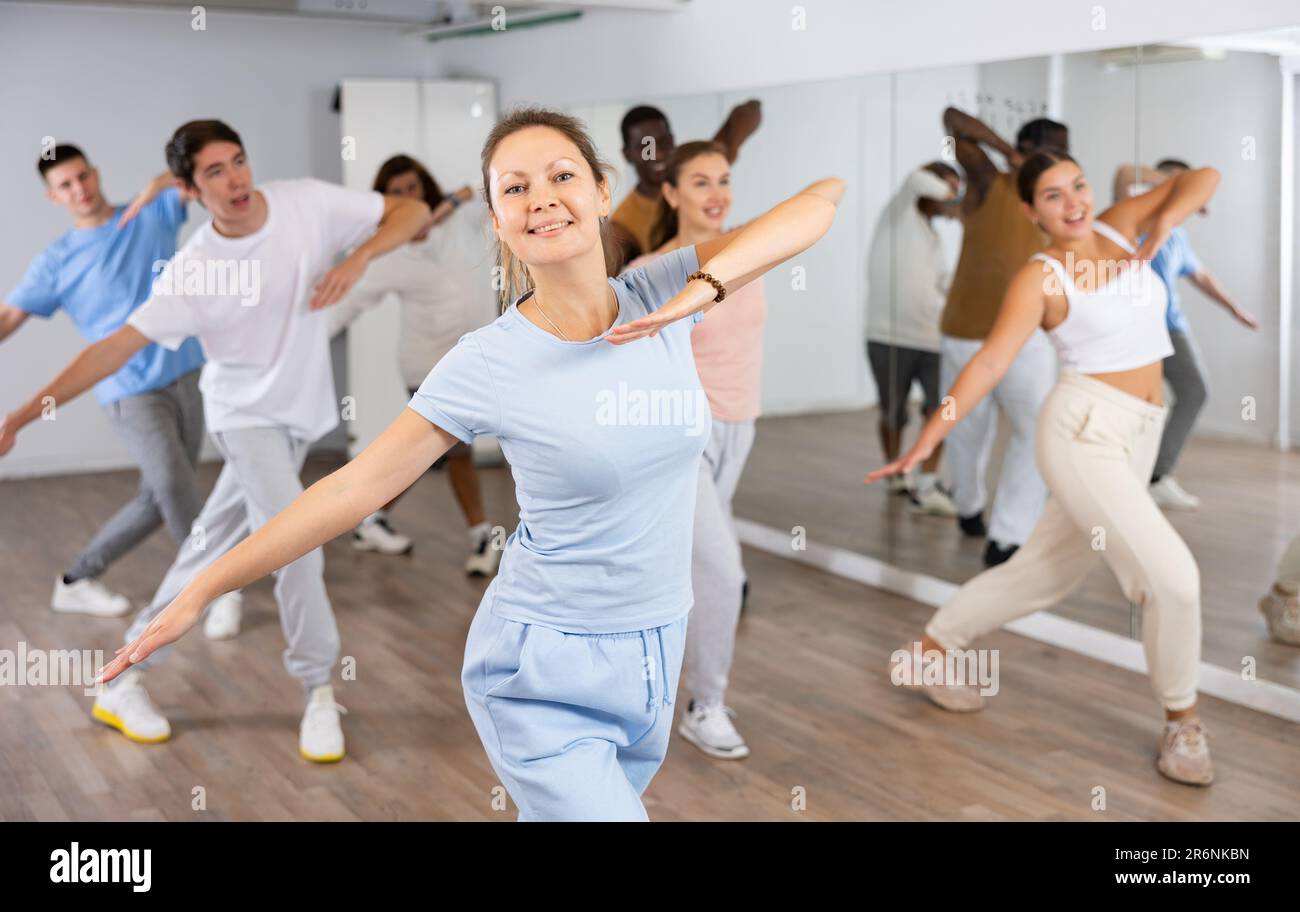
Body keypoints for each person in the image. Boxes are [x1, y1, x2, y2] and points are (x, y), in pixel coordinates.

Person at [95, 107, 843, 821]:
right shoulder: (490, 361)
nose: (541, 199)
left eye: (560, 176)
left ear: (602, 190)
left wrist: (704, 290)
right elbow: (356, 486)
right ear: (497, 221)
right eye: (514, 189)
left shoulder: (659, 290)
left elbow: (822, 200)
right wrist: (200, 590)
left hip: (655, 646)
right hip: (544, 667)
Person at [1, 120, 430, 760]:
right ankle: (318, 690)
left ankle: (124, 679)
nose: (235, 181)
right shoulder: (193, 270)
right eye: (214, 173)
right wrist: (19, 418)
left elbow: (413, 210)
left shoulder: (305, 203)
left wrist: (361, 254)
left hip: (296, 419)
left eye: (238, 162)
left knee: (203, 555)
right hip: (245, 419)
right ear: (188, 189)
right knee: (300, 545)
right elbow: (113, 349)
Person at [867, 149, 1222, 787]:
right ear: (1031, 210)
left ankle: (931, 651)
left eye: (1078, 185)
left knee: (1045, 573)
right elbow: (987, 365)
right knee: (1174, 579)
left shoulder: (1119, 224)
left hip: (1141, 431)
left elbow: (1204, 178)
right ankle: (1183, 720)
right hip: (1082, 433)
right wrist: (929, 438)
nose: (1074, 202)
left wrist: (1166, 220)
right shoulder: (1041, 277)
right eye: (1053, 196)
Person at [0, 145, 218, 620]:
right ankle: (210, 588)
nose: (79, 189)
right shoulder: (57, 260)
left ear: (96, 172)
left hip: (186, 370)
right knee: (171, 482)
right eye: (65, 185)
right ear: (51, 196)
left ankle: (76, 580)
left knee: (160, 495)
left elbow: (193, 177)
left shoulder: (151, 213)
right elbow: (10, 316)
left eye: (82, 176)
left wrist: (158, 184)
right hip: (128, 389)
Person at [624, 140, 775, 760]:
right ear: (670, 193)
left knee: (682, 567)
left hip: (742, 427)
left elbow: (827, 195)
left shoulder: (747, 252)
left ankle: (639, 682)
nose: (717, 194)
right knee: (722, 571)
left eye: (724, 180)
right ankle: (704, 704)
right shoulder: (653, 274)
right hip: (684, 435)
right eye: (700, 182)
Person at [327, 153, 501, 575]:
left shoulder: (461, 223)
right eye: (396, 194)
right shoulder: (388, 256)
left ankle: (370, 519)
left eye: (412, 188)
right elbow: (347, 304)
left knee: (431, 454)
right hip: (427, 366)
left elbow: (488, 190)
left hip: (481, 357)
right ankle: (482, 534)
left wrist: (455, 200)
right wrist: (302, 344)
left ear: (425, 188)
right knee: (454, 449)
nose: (408, 197)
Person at [939, 109, 1068, 566]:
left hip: (1028, 339)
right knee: (966, 432)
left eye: (1062, 152)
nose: (1057, 160)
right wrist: (1011, 156)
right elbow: (953, 119)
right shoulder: (987, 182)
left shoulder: (1057, 201)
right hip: (966, 333)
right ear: (1025, 150)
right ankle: (968, 506)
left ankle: (1008, 535)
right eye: (1047, 150)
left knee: (1037, 432)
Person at [1113, 159, 1259, 511]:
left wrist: (1234, 308)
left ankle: (1155, 476)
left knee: (1194, 392)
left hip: (1172, 327)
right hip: (1136, 327)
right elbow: (1123, 172)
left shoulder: (1177, 232)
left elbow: (1201, 275)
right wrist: (1178, 185)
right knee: (1138, 406)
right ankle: (1139, 479)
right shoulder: (1136, 219)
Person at [864, 161, 963, 515]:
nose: (951, 197)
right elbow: (917, 180)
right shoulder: (900, 210)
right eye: (949, 188)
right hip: (887, 337)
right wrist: (960, 195)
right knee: (893, 411)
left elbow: (940, 284)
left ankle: (927, 483)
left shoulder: (932, 236)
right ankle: (895, 473)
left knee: (940, 409)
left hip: (933, 340)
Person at [607, 100, 762, 272]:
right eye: (646, 147)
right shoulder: (624, 226)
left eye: (663, 143)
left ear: (672, 141)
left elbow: (750, 111)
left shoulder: (702, 165)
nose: (657, 153)